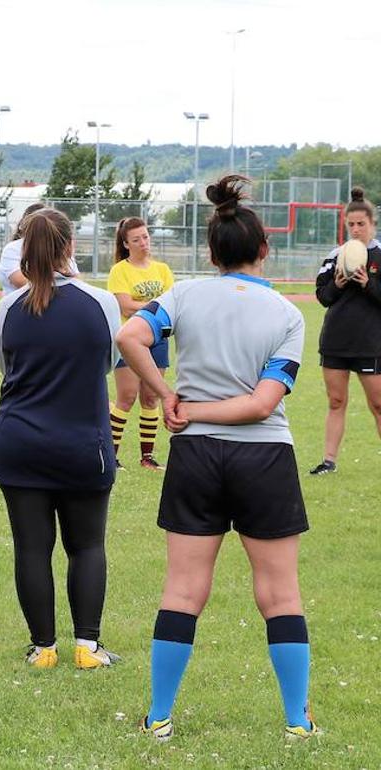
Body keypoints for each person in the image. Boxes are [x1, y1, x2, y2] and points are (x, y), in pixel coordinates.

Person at [117, 175, 318, 740]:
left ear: (211, 253)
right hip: (265, 459)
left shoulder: (183, 295)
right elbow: (262, 405)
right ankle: (297, 722)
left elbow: (129, 337)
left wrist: (169, 395)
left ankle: (159, 717)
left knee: (183, 589)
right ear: (264, 250)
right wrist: (182, 402)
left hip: (195, 456)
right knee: (280, 592)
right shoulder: (287, 314)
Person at [0, 207, 122, 670]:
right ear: (71, 247)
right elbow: (109, 362)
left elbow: (4, 365)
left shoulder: (9, 306)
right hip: (83, 443)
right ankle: (87, 646)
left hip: (19, 441)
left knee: (31, 547)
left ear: (24, 249)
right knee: (87, 545)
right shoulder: (100, 302)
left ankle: (43, 648)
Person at [309, 186, 381, 475]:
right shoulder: (335, 255)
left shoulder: (379, 254)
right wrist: (337, 285)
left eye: (361, 224)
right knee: (336, 401)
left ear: (372, 224)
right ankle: (328, 461)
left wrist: (368, 284)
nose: (356, 229)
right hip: (336, 340)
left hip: (370, 342)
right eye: (351, 224)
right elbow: (323, 296)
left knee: (378, 404)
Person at [107, 217, 175, 471]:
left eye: (145, 237)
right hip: (130, 338)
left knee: (151, 397)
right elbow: (125, 306)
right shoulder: (120, 270)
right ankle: (111, 457)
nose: (143, 242)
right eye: (136, 239)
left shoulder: (162, 269)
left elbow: (171, 304)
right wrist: (155, 306)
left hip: (157, 339)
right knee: (126, 397)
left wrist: (146, 306)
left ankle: (147, 457)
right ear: (126, 244)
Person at [0, 202, 48, 294]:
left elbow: (72, 279)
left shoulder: (59, 248)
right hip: (20, 302)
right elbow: (21, 282)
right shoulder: (13, 249)